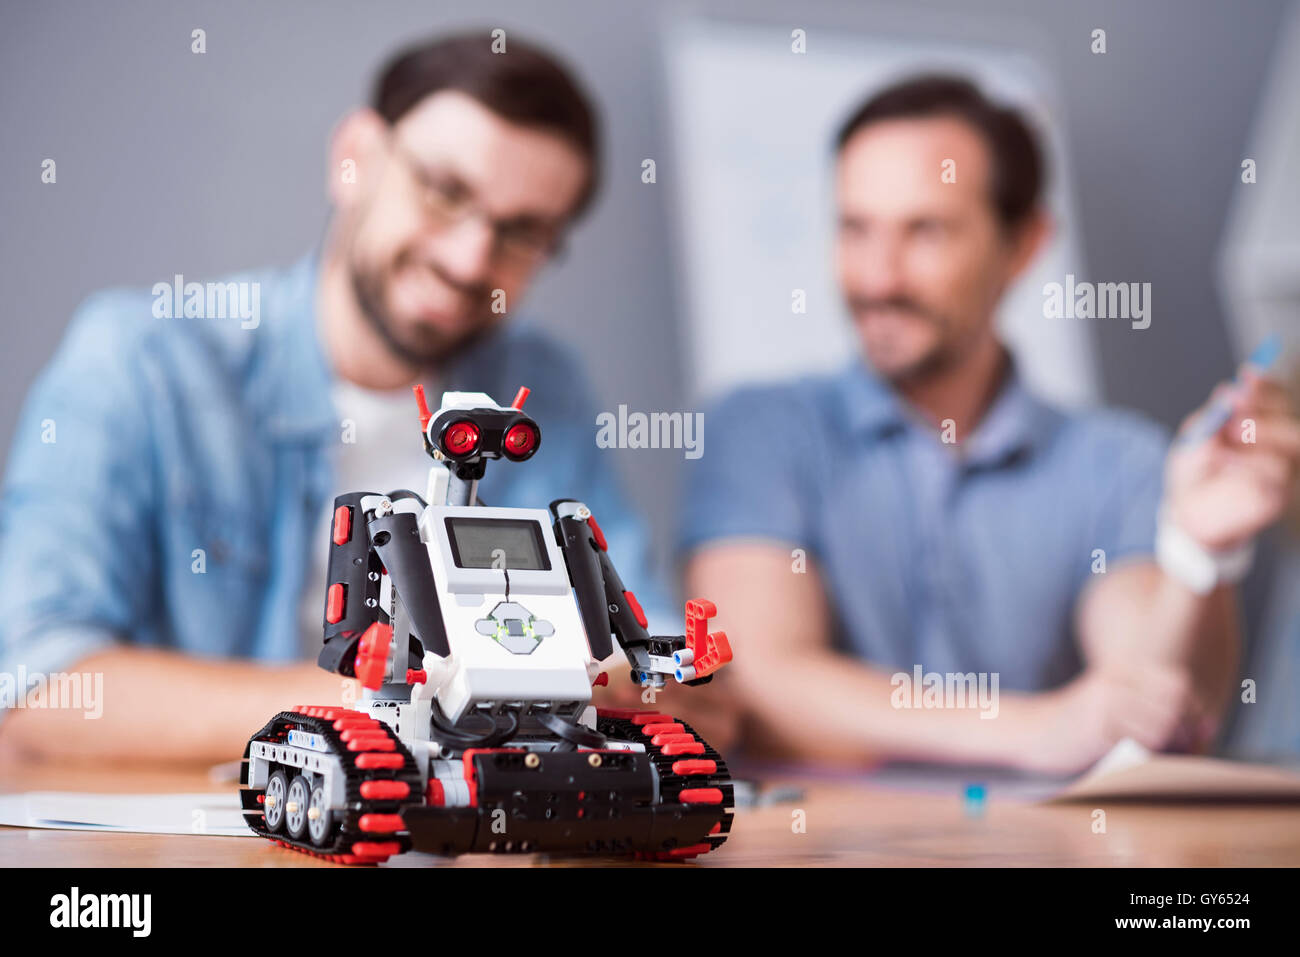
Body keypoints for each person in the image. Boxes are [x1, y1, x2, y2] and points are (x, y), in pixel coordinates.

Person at [0, 33, 669, 765]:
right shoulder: (143, 360)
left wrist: (635, 677)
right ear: (354, 158)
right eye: (445, 191)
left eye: (523, 232)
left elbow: (649, 652)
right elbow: (36, 684)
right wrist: (390, 707)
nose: (469, 258)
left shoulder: (543, 388)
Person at [679, 75, 1300, 773]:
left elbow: (1144, 710)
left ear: (1025, 244)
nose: (878, 278)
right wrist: (1038, 728)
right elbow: (759, 678)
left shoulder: (1118, 460)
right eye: (856, 228)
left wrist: (1197, 555)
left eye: (926, 231)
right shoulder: (759, 431)